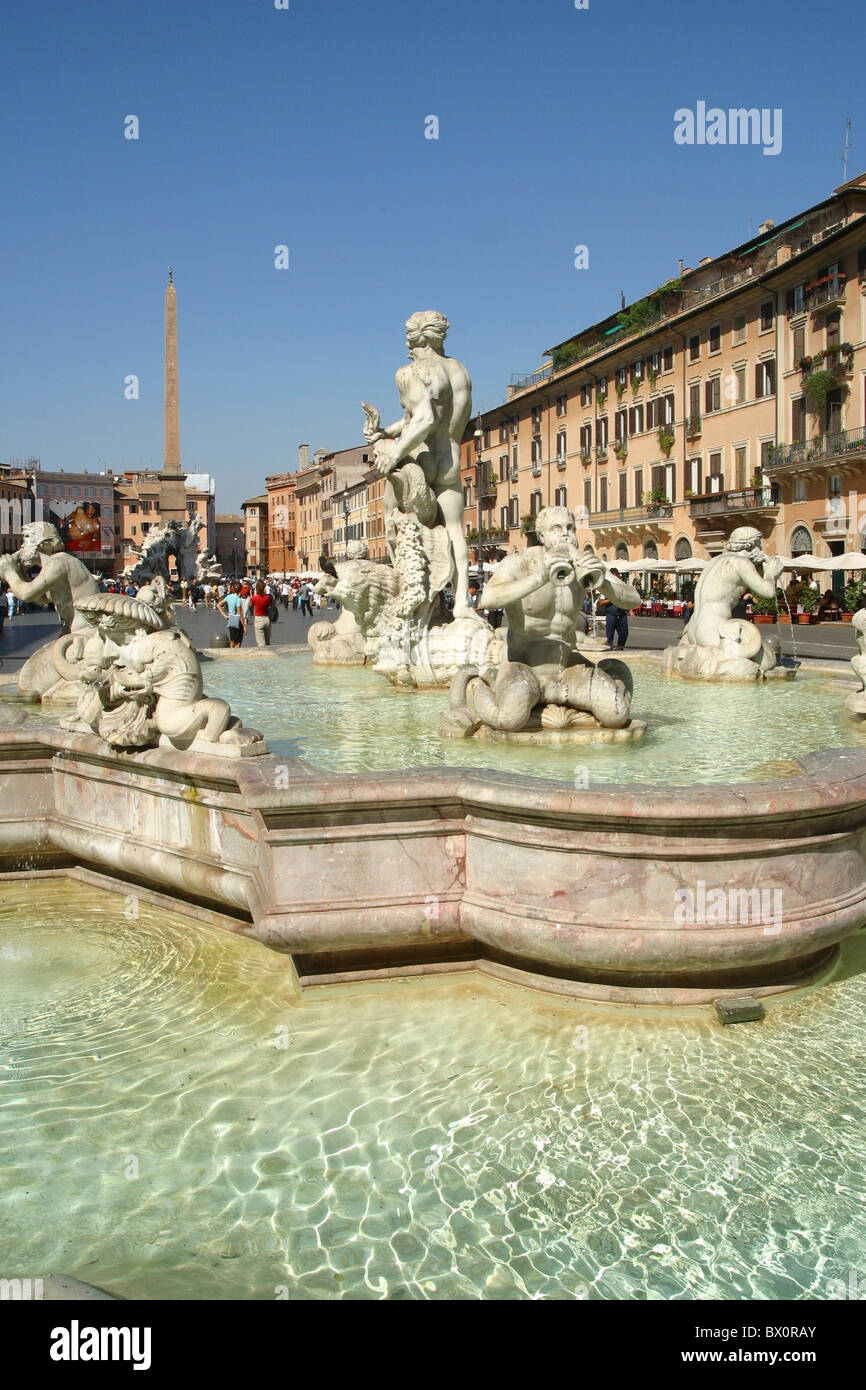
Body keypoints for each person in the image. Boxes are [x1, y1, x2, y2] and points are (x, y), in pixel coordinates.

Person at [602, 567, 630, 650]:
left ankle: (619, 648)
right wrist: (612, 599)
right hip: (611, 613)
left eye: (616, 576)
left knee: (624, 633)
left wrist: (631, 609)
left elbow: (627, 598)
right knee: (609, 635)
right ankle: (610, 650)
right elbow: (601, 602)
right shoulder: (606, 587)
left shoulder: (623, 586)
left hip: (622, 613)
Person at [217, 582, 246, 648]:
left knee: (232, 640)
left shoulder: (229, 596)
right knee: (238, 642)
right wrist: (244, 626)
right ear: (240, 590)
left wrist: (225, 615)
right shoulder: (238, 599)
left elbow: (218, 605)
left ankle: (230, 652)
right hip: (238, 621)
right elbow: (240, 614)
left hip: (231, 620)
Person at [250, 579, 272, 646]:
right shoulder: (267, 597)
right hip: (267, 619)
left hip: (258, 619)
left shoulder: (254, 598)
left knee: (261, 643)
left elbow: (250, 606)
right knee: (268, 642)